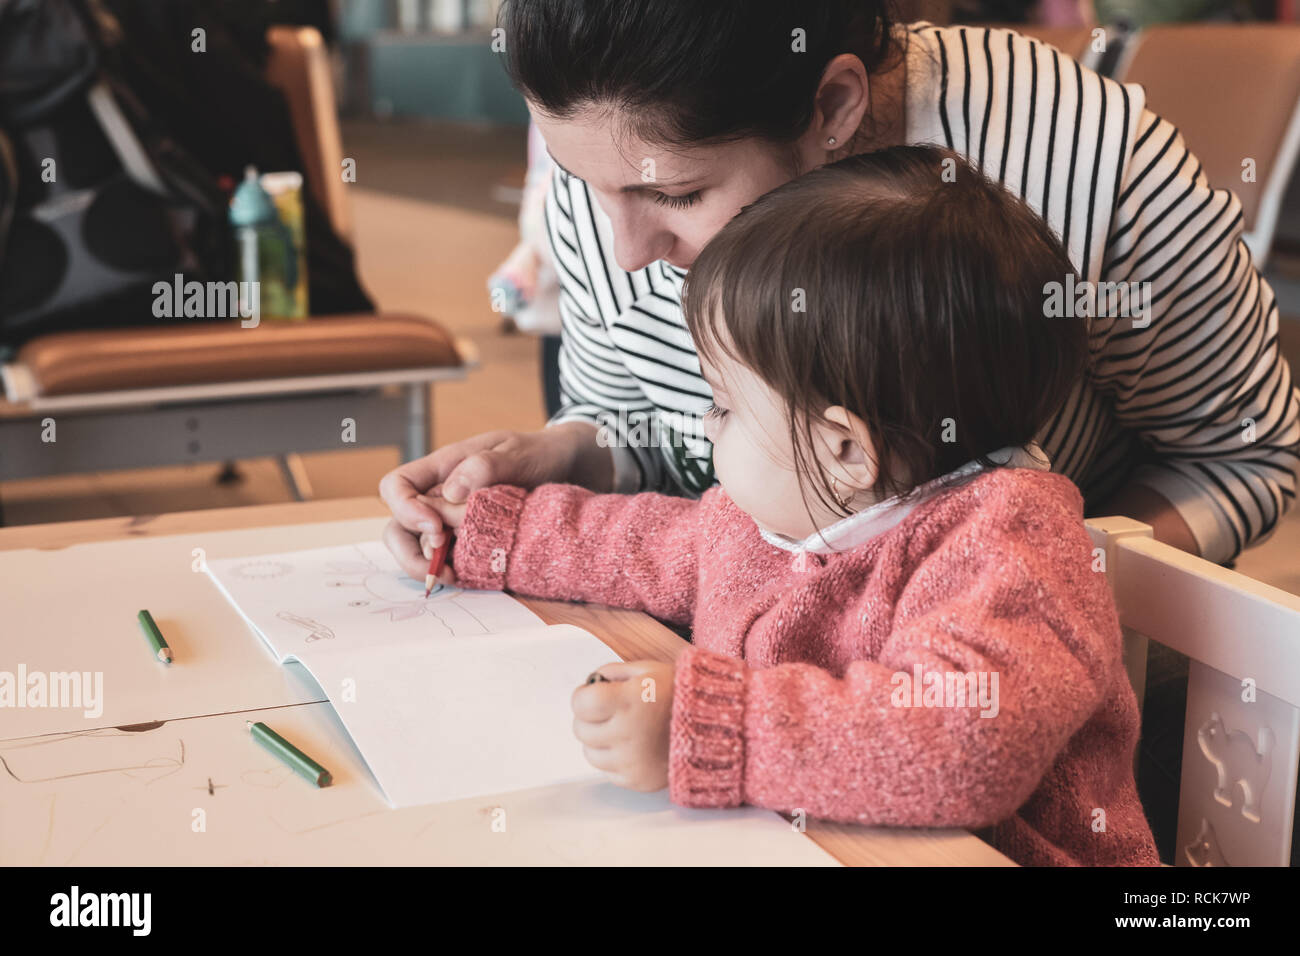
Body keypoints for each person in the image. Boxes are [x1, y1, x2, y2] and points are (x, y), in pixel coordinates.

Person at [412, 147, 1161, 867]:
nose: (706, 426)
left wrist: (707, 728)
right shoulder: (783, 513)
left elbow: (966, 742)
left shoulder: (1012, 547)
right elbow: (642, 544)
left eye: (724, 406)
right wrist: (488, 532)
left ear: (845, 449)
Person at [381, 0, 1299, 580]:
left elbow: (1242, 457)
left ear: (832, 108)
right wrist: (561, 453)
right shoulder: (613, 185)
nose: (622, 251)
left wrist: (1029, 588)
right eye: (583, 184)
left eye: (677, 194)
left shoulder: (1086, 163)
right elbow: (643, 430)